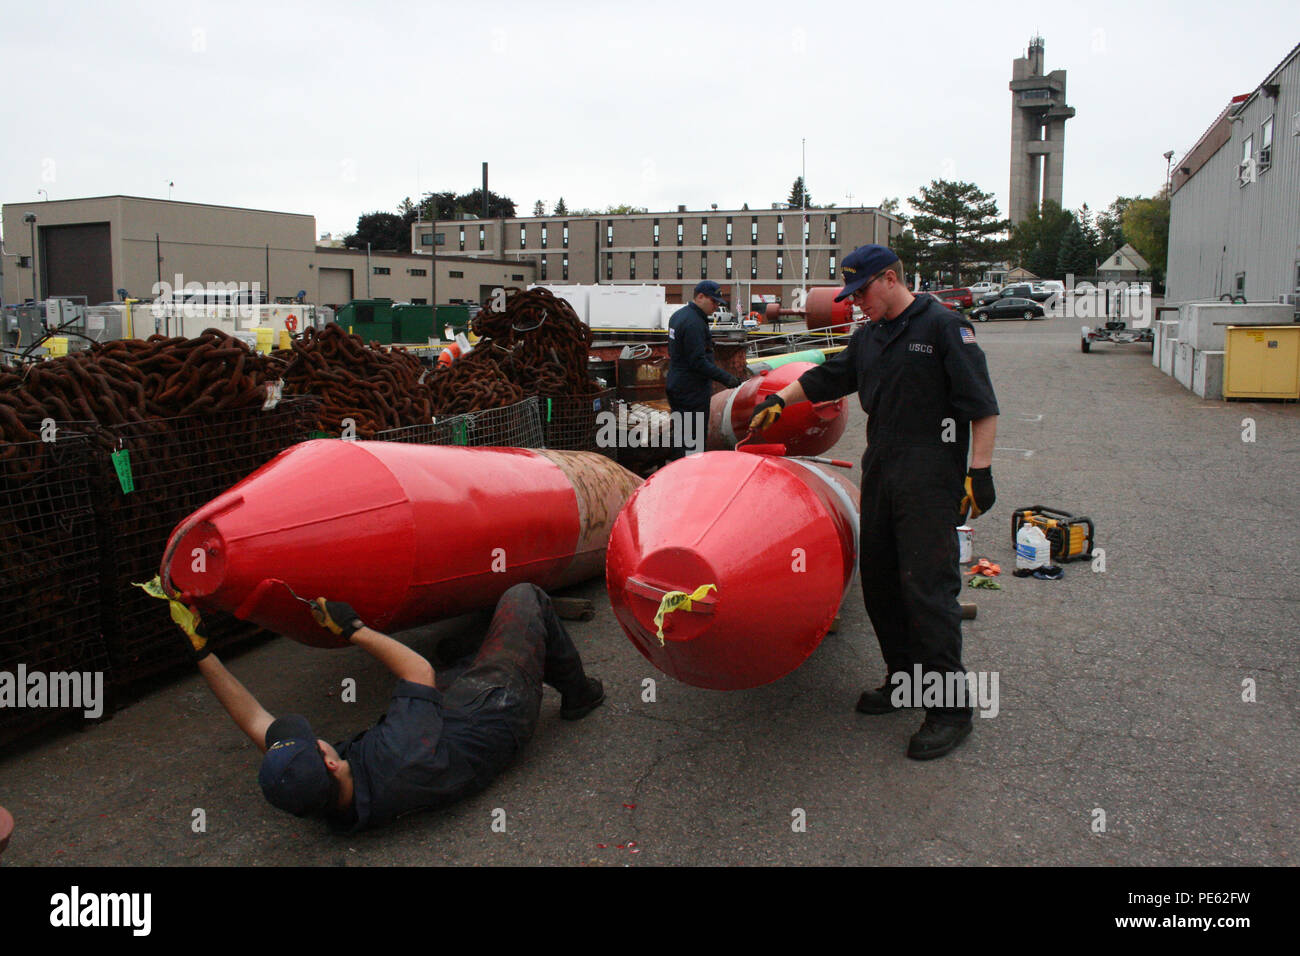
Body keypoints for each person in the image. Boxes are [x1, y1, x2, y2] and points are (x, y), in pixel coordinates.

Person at [748, 244, 999, 760]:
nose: (855, 302)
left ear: (889, 279)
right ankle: (904, 679)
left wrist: (981, 472)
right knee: (882, 584)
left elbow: (983, 406)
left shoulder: (944, 328)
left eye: (861, 291)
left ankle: (950, 710)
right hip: (882, 470)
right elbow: (828, 376)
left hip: (931, 476)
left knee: (928, 592)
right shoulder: (870, 336)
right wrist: (779, 400)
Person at [180, 583, 605, 830]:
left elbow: (256, 721)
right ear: (328, 762)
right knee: (523, 597)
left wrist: (202, 653)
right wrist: (354, 629)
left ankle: (478, 652)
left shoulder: (317, 795)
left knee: (455, 652)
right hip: (498, 707)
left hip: (446, 723)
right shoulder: (397, 756)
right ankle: (579, 694)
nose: (315, 741)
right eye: (313, 743)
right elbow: (416, 672)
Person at [666, 280, 742, 459]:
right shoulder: (694, 323)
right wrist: (728, 379)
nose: (716, 306)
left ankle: (677, 470)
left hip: (677, 384)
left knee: (681, 436)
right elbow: (698, 362)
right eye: (713, 301)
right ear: (700, 297)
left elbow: (676, 352)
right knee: (693, 440)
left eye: (718, 303)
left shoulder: (678, 316)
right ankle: (689, 474)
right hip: (691, 391)